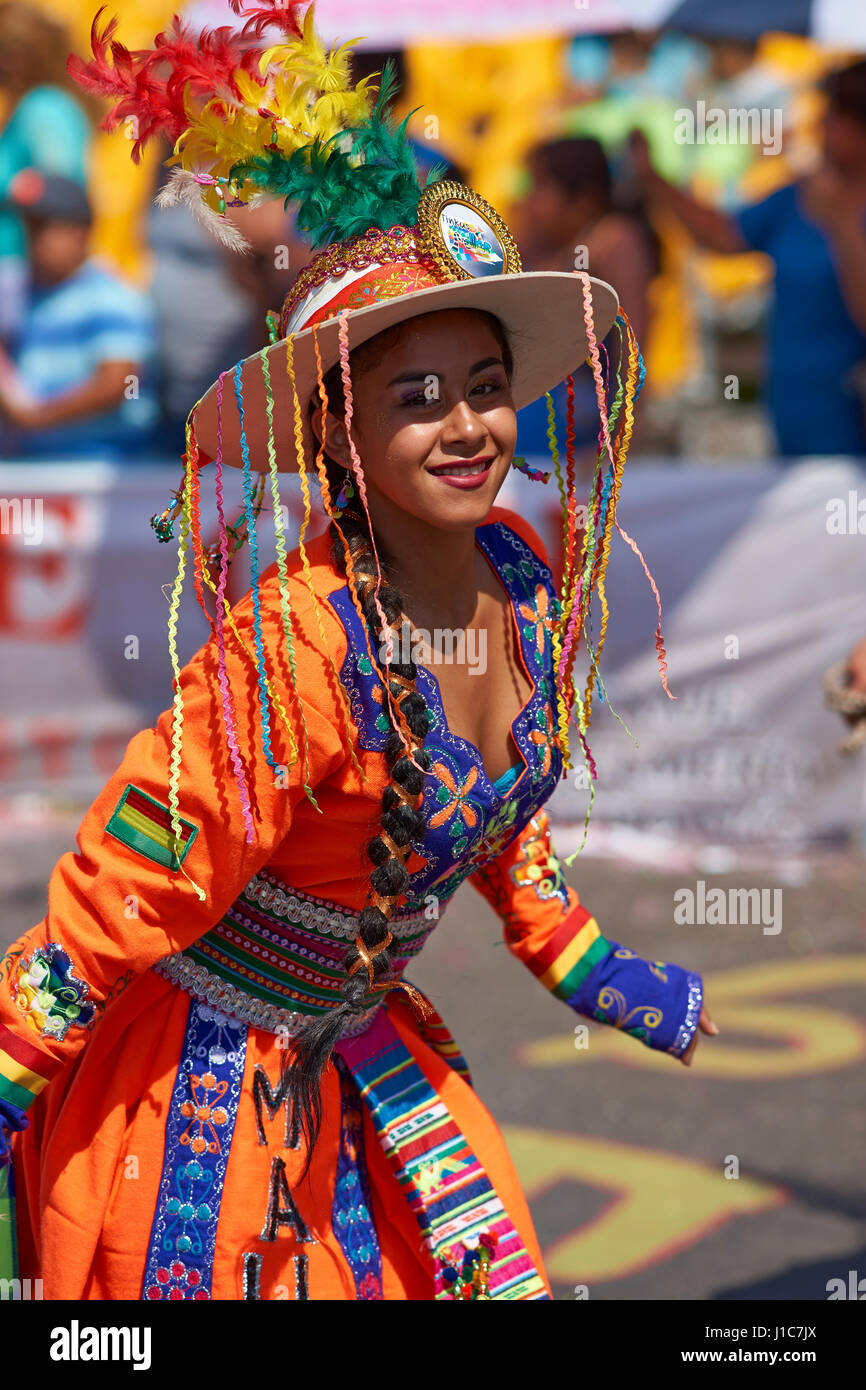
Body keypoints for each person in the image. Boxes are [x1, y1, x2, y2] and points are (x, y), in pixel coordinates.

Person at [0, 2, 715, 1302]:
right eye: (415, 396)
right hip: (199, 1091)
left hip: (357, 1046)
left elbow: (499, 798)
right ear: (336, 433)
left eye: (484, 385)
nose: (465, 426)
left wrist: (582, 958)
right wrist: (10, 1066)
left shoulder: (517, 571)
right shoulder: (301, 646)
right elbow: (137, 867)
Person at [629, 59, 866, 460]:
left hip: (852, 424)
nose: (821, 124)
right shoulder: (800, 195)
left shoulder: (832, 207)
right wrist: (655, 180)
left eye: (835, 115)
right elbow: (724, 236)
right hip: (792, 419)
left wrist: (842, 227)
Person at [514, 136, 655, 470]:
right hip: (535, 431)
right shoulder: (537, 242)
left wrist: (616, 446)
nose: (529, 200)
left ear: (584, 201)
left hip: (581, 443)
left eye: (540, 187)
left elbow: (633, 355)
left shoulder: (616, 241)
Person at [0, 169, 159, 460]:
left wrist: (35, 419)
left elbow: (119, 384)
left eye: (41, 228)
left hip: (105, 470)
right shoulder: (26, 292)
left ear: (78, 233)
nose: (30, 240)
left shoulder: (111, 296)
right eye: (27, 227)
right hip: (39, 467)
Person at [0, 2, 93, 343]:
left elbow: (60, 190)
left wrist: (13, 190)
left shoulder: (44, 108)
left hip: (18, 270)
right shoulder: (36, 105)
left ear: (18, 55)